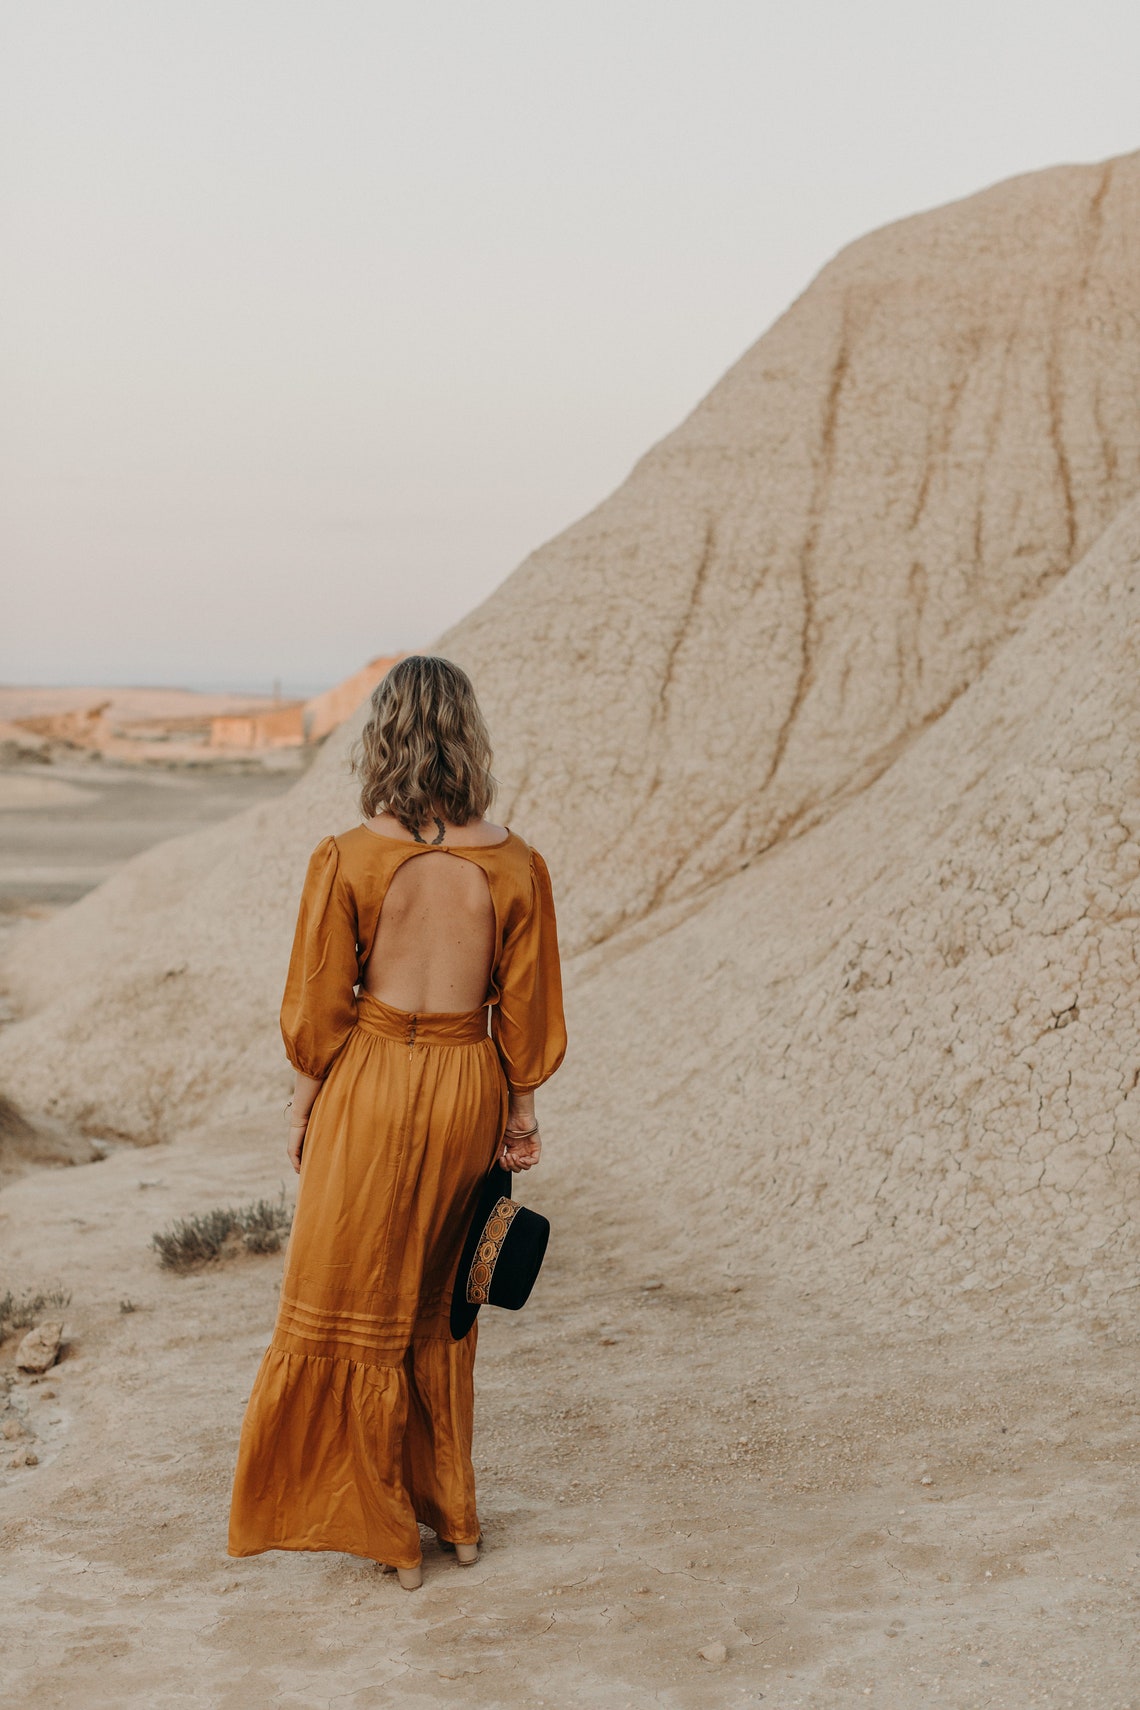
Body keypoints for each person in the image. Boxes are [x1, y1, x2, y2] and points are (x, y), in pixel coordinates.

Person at [227, 655, 566, 1589]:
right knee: (439, 1308)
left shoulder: (347, 858)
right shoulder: (514, 862)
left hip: (372, 1081)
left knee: (351, 1300)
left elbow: (318, 1010)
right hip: (468, 1082)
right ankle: (455, 1525)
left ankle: (388, 1539)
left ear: (382, 735)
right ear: (468, 736)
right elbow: (525, 1010)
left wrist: (304, 1111)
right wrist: (521, 1113)